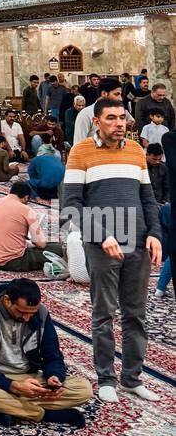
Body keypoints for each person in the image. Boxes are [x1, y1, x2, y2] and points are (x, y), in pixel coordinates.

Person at [61, 96, 162, 403]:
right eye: (112, 118)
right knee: (104, 313)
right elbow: (71, 206)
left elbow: (147, 199)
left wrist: (155, 234)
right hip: (102, 246)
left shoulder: (135, 151)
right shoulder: (81, 153)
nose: (119, 124)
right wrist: (102, 235)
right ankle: (106, 377)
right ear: (97, 121)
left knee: (136, 314)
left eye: (122, 118)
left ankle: (132, 378)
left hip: (137, 242)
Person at [0, 278, 92, 427]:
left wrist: (54, 376)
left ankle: (7, 408)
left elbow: (52, 355)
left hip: (29, 378)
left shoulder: (40, 314)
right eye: (21, 312)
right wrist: (11, 385)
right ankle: (45, 414)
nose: (27, 317)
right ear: (7, 300)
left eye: (31, 314)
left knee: (84, 389)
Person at [0, 179, 57, 271]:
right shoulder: (26, 210)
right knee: (58, 248)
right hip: (13, 261)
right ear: (26, 197)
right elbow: (40, 244)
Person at [27, 136, 65, 201]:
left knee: (27, 184)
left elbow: (32, 178)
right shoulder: (56, 158)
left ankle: (37, 198)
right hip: (61, 189)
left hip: (47, 187)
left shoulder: (35, 160)